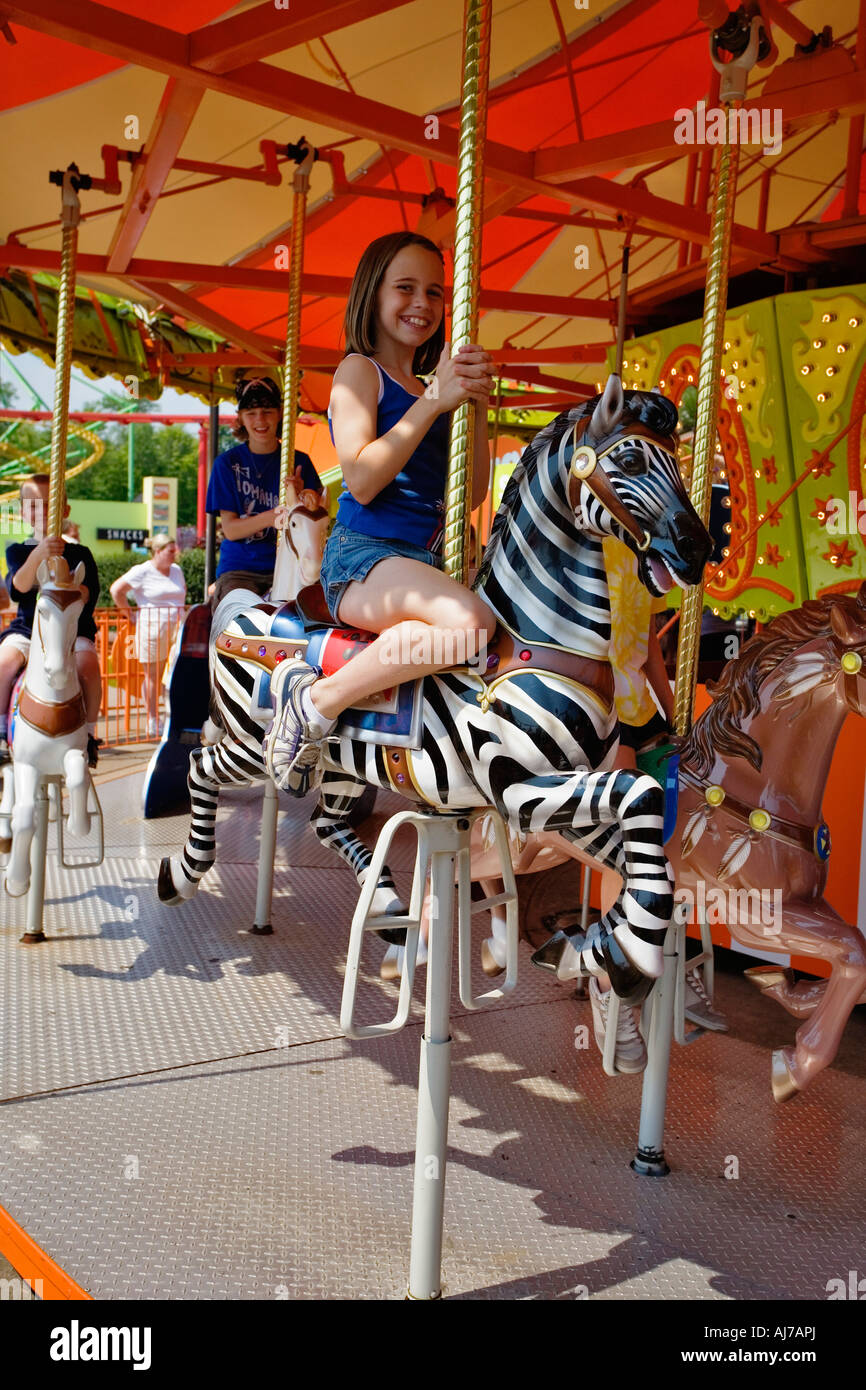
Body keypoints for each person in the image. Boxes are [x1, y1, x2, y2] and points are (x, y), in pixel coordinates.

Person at [264, 231, 495, 795]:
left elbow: (477, 490)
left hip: (430, 561)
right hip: (366, 558)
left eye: (435, 292)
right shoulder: (358, 373)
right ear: (373, 295)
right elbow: (363, 480)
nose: (423, 303)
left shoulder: (430, 388)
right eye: (406, 288)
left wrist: (477, 405)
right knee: (470, 626)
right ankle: (316, 701)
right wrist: (433, 402)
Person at [587, 536, 727, 1075]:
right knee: (622, 841)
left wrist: (679, 719)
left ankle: (667, 953)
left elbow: (647, 641)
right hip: (594, 703)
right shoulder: (588, 539)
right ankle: (608, 985)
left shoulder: (642, 553)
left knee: (682, 819)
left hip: (637, 707)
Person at [0, 473, 102, 765]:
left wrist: (64, 576)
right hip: (29, 630)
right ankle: (0, 731)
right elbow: (18, 588)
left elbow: (87, 594)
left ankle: (90, 734)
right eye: (32, 505)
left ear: (64, 511)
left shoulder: (80, 553)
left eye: (49, 504)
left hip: (71, 632)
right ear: (22, 512)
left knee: (89, 667)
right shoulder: (18, 551)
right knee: (4, 663)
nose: (41, 511)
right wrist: (39, 554)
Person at [206, 375, 325, 607]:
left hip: (292, 564)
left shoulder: (299, 461)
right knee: (239, 615)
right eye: (251, 413)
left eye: (267, 411)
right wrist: (271, 517)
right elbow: (230, 530)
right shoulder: (227, 464)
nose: (260, 419)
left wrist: (300, 498)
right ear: (240, 418)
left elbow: (316, 516)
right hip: (242, 569)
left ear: (280, 413)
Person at [110, 535, 186, 738]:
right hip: (151, 628)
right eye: (170, 551)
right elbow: (117, 590)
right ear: (158, 551)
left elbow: (181, 596)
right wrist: (129, 614)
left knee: (175, 673)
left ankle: (172, 715)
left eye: (174, 550)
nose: (174, 554)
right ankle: (153, 719)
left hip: (176, 629)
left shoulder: (177, 570)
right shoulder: (142, 570)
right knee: (152, 675)